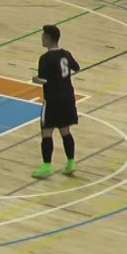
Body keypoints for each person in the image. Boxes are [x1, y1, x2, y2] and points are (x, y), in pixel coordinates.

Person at [31, 24, 80, 180]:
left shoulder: (45, 58)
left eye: (43, 36)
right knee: (65, 131)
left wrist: (35, 79)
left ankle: (47, 166)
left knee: (46, 132)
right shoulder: (66, 54)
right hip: (68, 97)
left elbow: (43, 80)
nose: (41, 38)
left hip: (52, 99)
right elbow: (77, 68)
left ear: (48, 38)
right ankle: (71, 162)